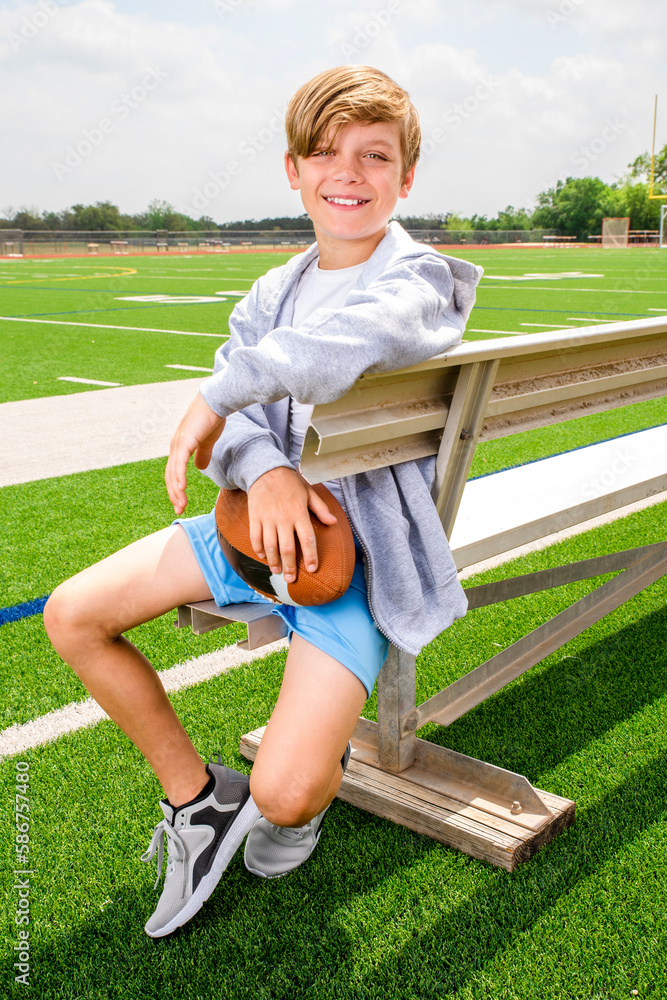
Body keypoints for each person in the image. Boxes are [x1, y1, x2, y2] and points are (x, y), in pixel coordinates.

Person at [44, 64, 482, 938]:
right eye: (324, 154)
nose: (348, 173)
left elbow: (329, 352)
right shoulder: (270, 291)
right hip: (252, 524)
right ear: (292, 170)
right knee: (73, 615)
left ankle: (297, 802)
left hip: (352, 565)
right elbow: (241, 414)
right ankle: (197, 803)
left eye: (374, 156)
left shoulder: (421, 282)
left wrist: (220, 398)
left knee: (282, 798)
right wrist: (266, 468)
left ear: (406, 177)